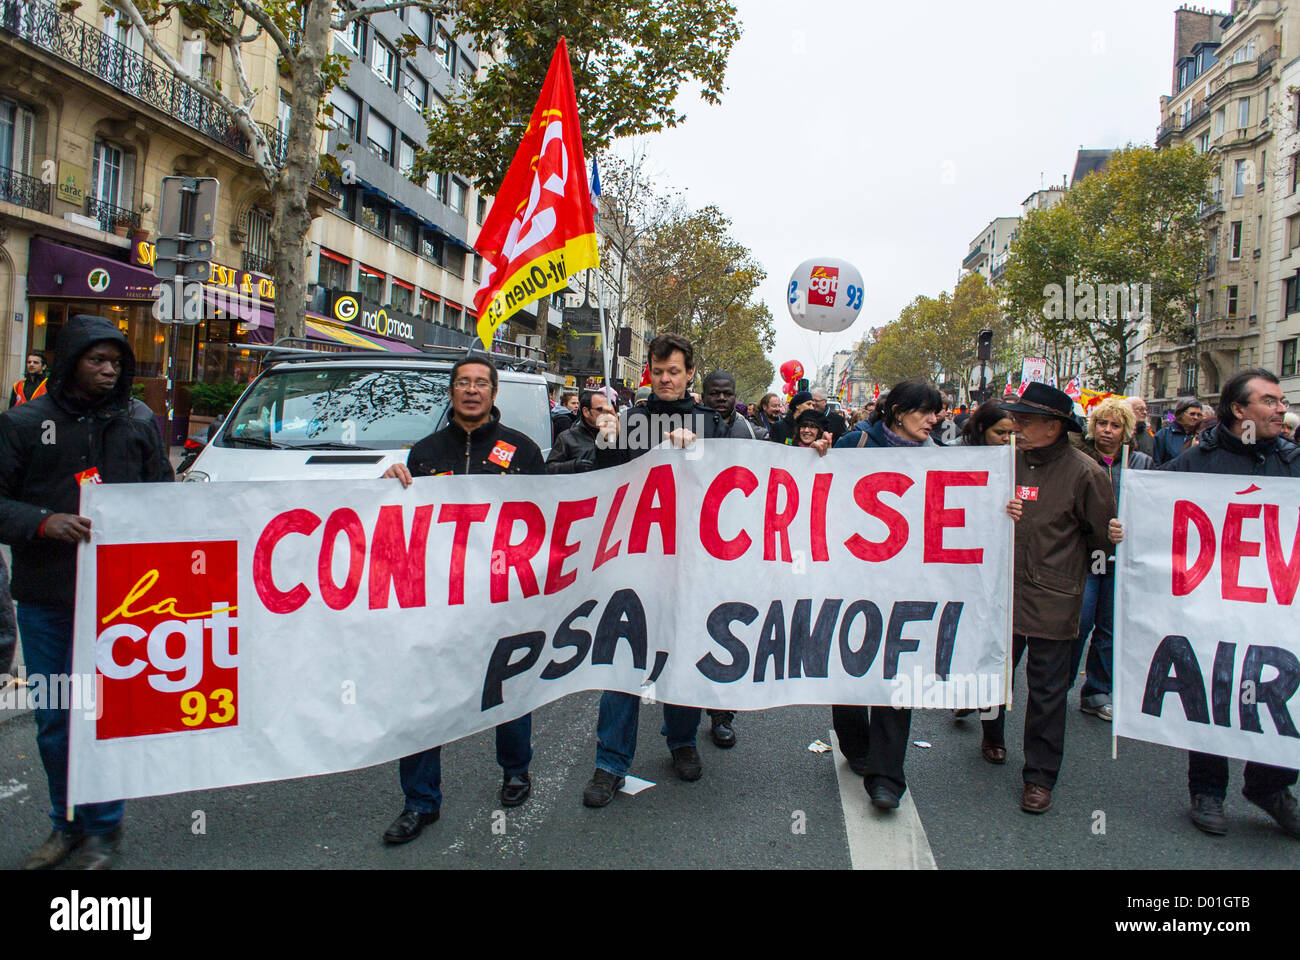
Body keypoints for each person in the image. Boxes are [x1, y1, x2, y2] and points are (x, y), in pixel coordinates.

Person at [0, 315, 174, 870]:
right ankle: (65, 826)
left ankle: (103, 830)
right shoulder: (23, 424)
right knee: (55, 719)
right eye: (97, 360)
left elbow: (165, 503)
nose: (107, 371)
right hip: (48, 600)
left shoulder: (140, 421)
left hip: (119, 603)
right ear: (70, 360)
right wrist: (43, 522)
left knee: (104, 717)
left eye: (116, 363)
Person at [379, 354, 545, 843]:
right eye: (462, 383)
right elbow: (407, 523)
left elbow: (546, 522)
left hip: (501, 597)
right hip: (438, 601)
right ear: (451, 392)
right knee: (422, 696)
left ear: (494, 393)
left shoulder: (523, 451)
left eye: (481, 383)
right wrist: (390, 490)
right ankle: (420, 801)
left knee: (508, 688)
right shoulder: (424, 454)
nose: (471, 390)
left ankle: (515, 771)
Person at [1155, 369, 1299, 838]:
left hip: (1277, 607)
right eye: (1271, 401)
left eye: (1281, 402)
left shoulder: (1294, 461)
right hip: (1212, 605)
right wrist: (1125, 528)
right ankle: (1208, 791)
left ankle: (1271, 784)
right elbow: (1153, 512)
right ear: (1240, 410)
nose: (1281, 409)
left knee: (1279, 691)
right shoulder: (1194, 464)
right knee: (1213, 689)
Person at [979, 382, 1118, 814]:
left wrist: (1112, 537)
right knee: (992, 675)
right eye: (1015, 418)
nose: (1015, 426)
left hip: (1054, 597)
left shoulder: (1086, 473)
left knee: (1048, 691)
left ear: (1054, 427)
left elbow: (1100, 541)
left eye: (1025, 420)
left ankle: (1039, 777)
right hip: (1002, 591)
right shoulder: (1005, 462)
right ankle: (992, 733)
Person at [829, 379, 945, 809]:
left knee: (899, 672)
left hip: (909, 585)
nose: (935, 420)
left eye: (938, 412)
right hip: (851, 579)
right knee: (849, 665)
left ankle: (887, 777)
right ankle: (856, 745)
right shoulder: (853, 445)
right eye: (926, 411)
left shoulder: (942, 458)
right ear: (897, 411)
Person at [1068, 396, 1152, 723]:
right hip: (1088, 555)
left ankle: (1097, 690)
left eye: (1115, 425)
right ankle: (1059, 684)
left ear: (1126, 430)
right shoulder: (1079, 460)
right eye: (1102, 424)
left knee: (1110, 627)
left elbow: (1150, 507)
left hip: (1121, 558)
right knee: (1080, 622)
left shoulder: (1140, 463)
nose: (1107, 430)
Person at [546, 388, 611, 473]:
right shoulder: (567, 438)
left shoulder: (613, 436)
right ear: (586, 411)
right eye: (600, 409)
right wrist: (573, 466)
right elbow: (549, 468)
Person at [705, 370, 767, 441]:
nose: (721, 398)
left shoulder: (753, 434)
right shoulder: (692, 426)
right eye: (714, 393)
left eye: (728, 394)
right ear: (703, 397)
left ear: (735, 397)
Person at [1151, 398, 1203, 465]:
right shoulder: (1163, 435)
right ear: (1180, 414)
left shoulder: (1203, 435)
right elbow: (1156, 465)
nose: (1196, 417)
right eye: (1192, 414)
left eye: (1199, 415)